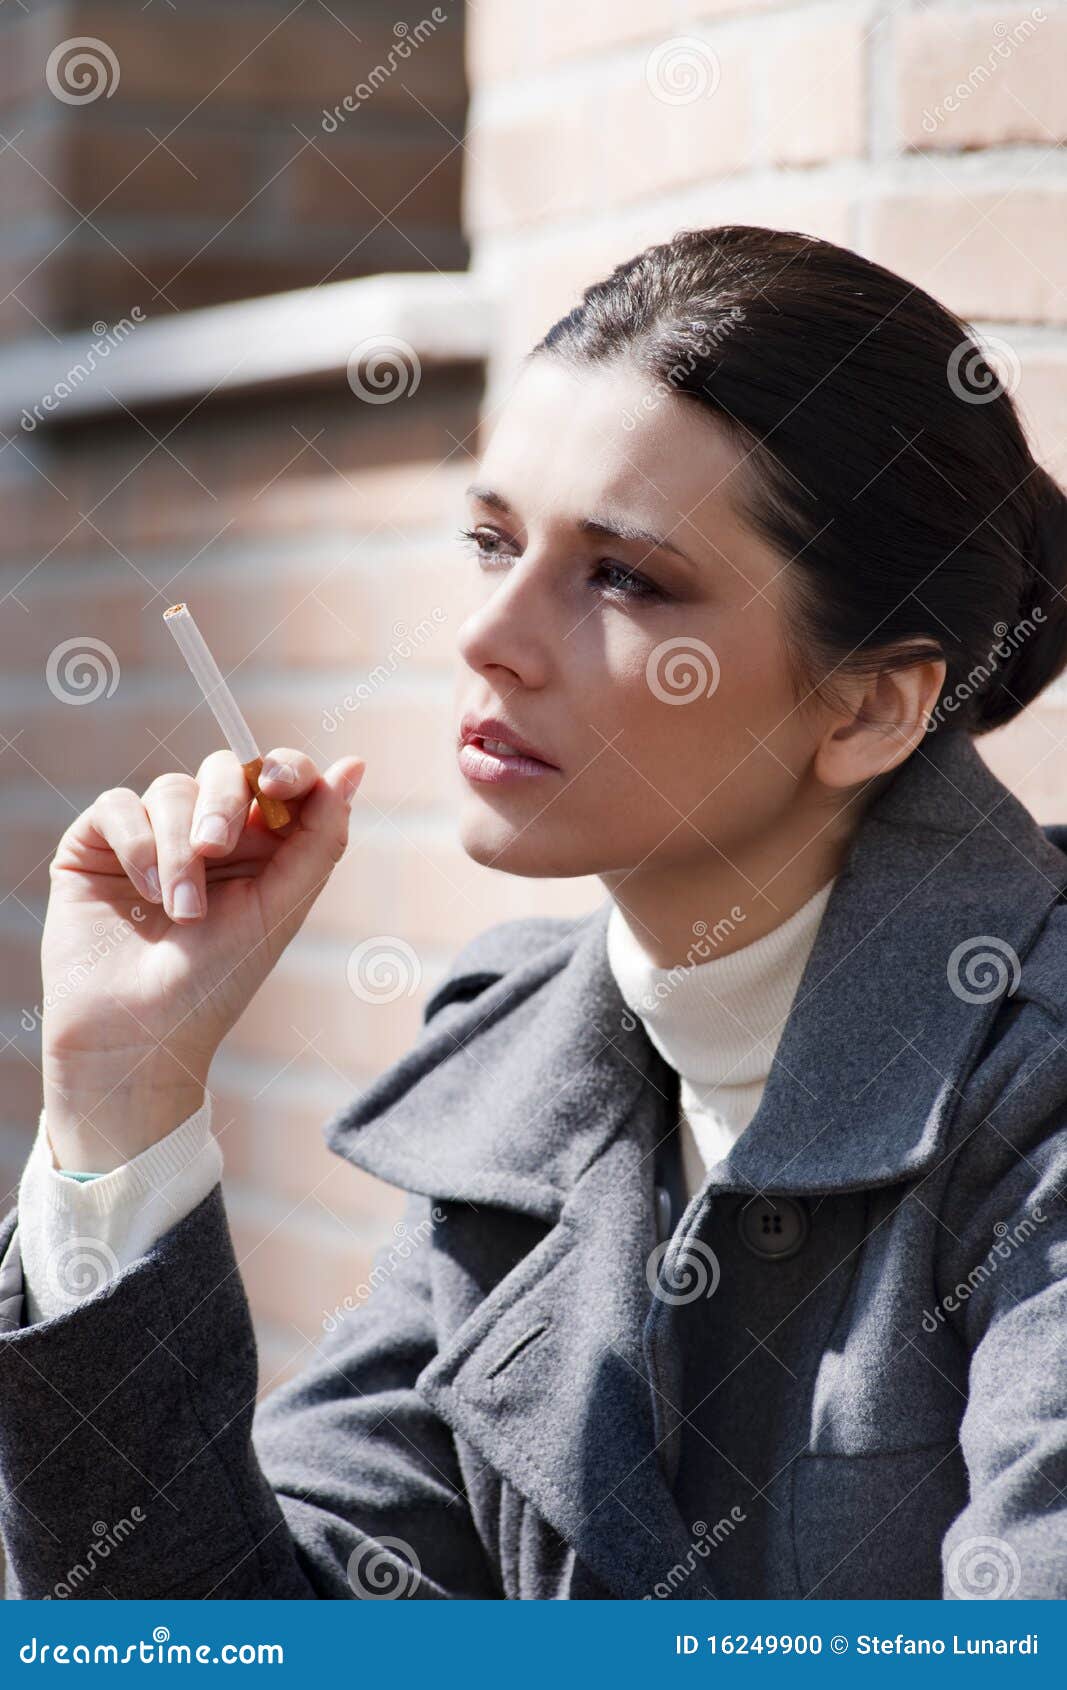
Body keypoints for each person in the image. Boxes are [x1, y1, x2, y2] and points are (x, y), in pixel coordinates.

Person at [2, 224, 1067, 1600]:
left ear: (872, 704)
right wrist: (120, 1104)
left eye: (623, 576)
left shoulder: (1031, 1085)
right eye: (493, 538)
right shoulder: (524, 1069)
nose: (489, 633)